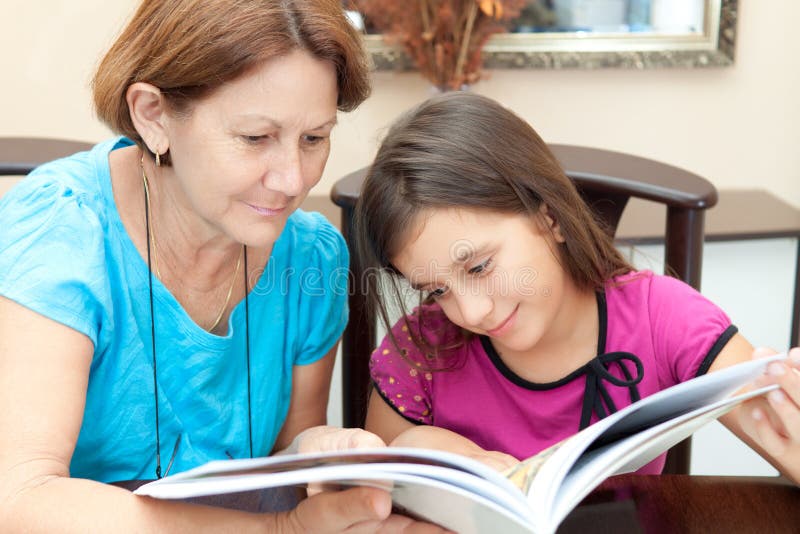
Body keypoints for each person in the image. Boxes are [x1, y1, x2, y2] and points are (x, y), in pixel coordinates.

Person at [0, 1, 445, 532]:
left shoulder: (312, 256)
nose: (292, 180)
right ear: (153, 115)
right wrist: (276, 531)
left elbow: (283, 461)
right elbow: (20, 496)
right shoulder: (63, 227)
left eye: (314, 139)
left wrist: (319, 448)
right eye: (255, 138)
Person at [354, 91, 800, 482]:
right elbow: (371, 501)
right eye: (436, 290)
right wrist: (425, 448)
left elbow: (779, 430)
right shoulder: (419, 352)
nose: (471, 314)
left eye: (478, 267)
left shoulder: (662, 317)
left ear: (548, 216)